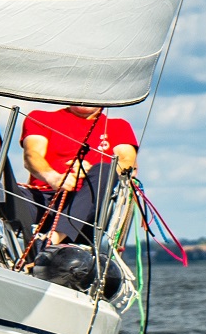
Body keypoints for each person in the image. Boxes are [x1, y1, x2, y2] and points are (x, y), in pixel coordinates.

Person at [19, 104, 138, 246]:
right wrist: (54, 177)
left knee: (105, 170)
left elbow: (127, 162)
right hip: (43, 197)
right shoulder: (40, 117)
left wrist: (88, 172)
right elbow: (32, 155)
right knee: (0, 189)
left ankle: (52, 239)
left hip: (88, 204)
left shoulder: (118, 126)